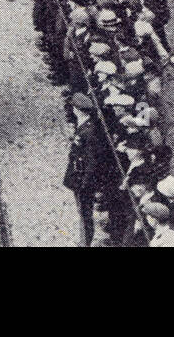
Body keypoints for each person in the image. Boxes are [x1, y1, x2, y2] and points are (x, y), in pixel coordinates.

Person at [63, 91, 103, 246]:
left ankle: (85, 243)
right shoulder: (85, 127)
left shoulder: (88, 131)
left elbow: (92, 161)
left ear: (77, 110)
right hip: (78, 175)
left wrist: (85, 183)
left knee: (85, 214)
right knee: (82, 212)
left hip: (83, 179)